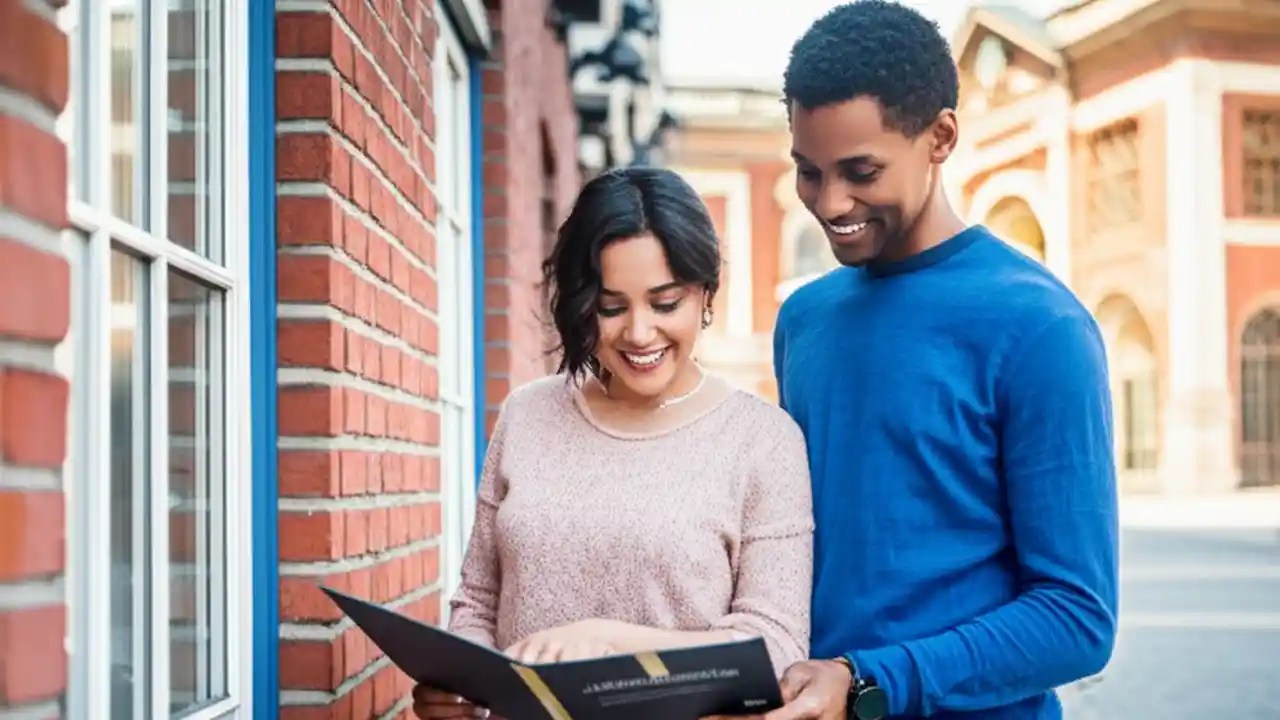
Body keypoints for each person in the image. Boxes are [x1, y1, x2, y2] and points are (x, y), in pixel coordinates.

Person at [724, 2, 1120, 719]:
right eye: (808, 173)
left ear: (940, 137)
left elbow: (1077, 619)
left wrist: (869, 680)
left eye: (861, 170)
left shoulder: (1042, 327)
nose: (831, 202)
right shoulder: (803, 321)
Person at [411, 167, 815, 719]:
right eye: (611, 306)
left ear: (705, 293)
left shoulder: (763, 441)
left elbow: (775, 646)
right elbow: (479, 602)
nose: (640, 332)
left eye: (665, 302)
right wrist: (462, 690)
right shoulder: (527, 414)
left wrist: (612, 643)